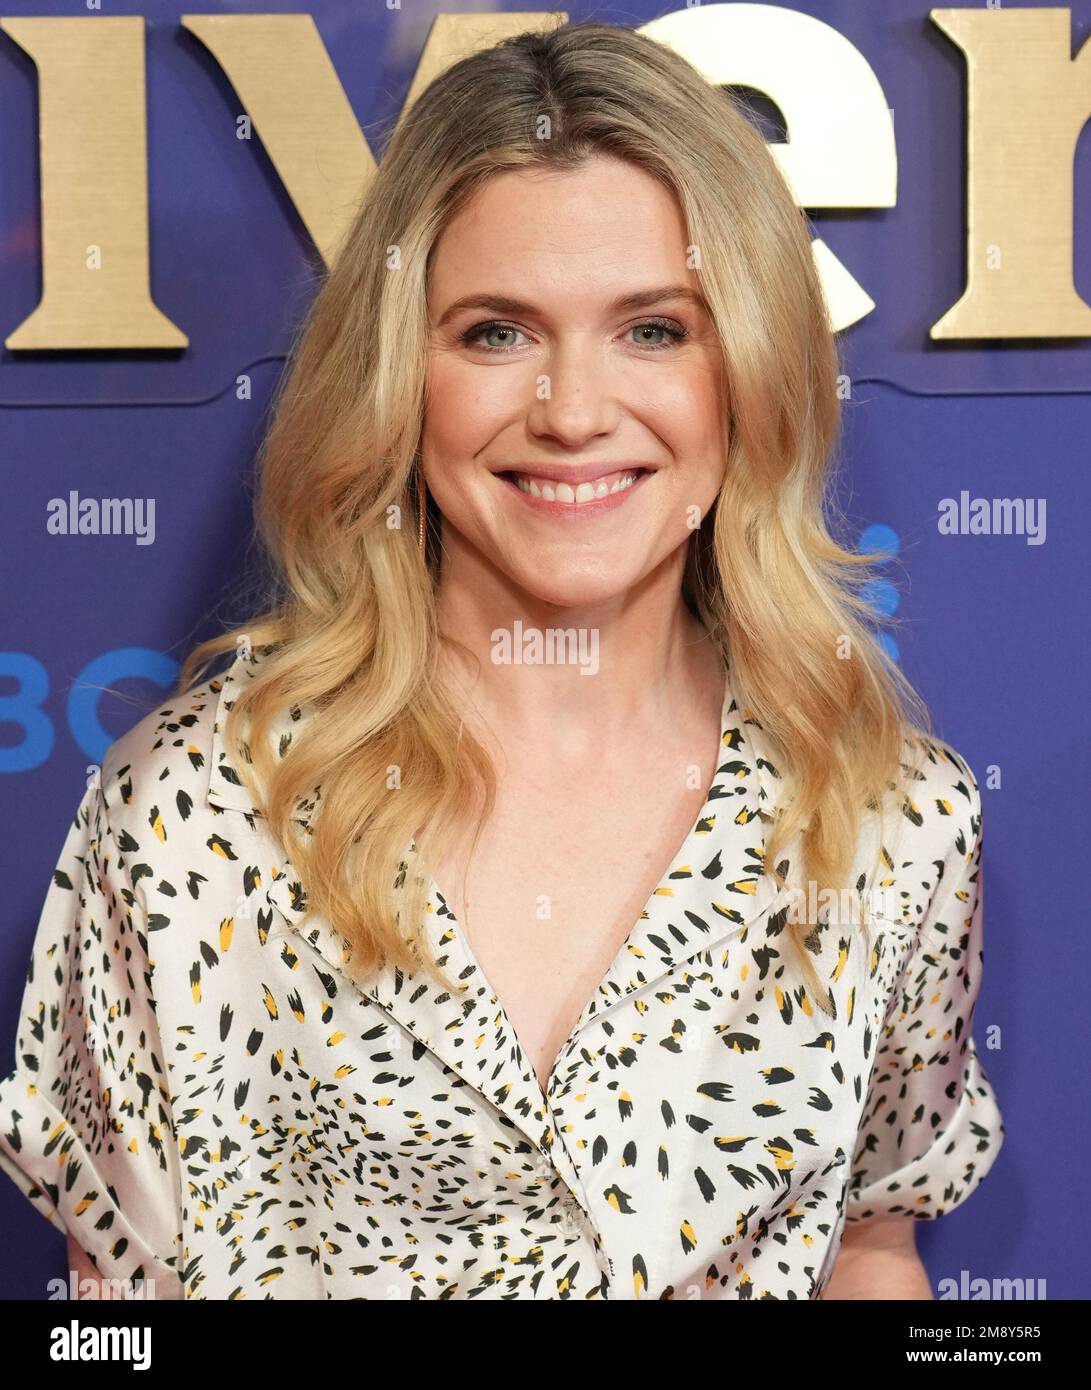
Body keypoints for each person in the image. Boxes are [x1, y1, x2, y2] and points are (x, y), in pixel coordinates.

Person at [0, 20, 1003, 1301]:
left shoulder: (885, 817)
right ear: (396, 372)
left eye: (652, 329)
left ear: (745, 369)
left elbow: (870, 1246)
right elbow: (108, 1310)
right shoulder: (191, 815)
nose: (574, 411)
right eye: (494, 333)